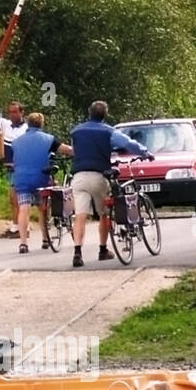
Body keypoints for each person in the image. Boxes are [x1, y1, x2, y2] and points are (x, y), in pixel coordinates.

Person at [69, 100, 153, 268]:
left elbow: (75, 150)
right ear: (105, 115)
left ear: (89, 112)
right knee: (104, 213)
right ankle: (103, 250)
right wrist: (145, 152)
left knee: (80, 215)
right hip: (98, 176)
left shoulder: (75, 131)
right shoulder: (108, 131)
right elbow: (128, 144)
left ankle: (77, 253)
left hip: (78, 177)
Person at [10, 112, 73, 254]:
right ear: (42, 124)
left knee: (23, 208)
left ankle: (23, 243)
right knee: (42, 207)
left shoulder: (16, 142)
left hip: (21, 179)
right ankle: (45, 239)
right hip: (41, 178)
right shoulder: (48, 139)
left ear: (28, 123)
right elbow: (66, 150)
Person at [0, 95, 27, 237]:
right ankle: (16, 226)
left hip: (22, 168)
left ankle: (20, 228)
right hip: (11, 168)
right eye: (10, 112)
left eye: (15, 112)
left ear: (22, 112)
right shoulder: (6, 124)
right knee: (13, 199)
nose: (12, 115)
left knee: (18, 199)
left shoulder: (27, 129)